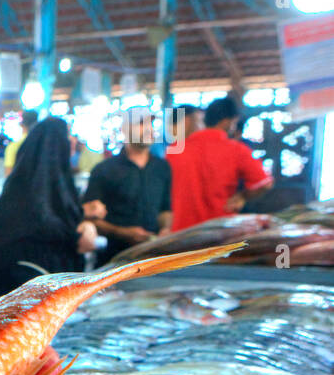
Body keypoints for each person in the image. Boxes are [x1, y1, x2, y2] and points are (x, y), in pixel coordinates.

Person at [0, 117, 101, 300]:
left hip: (5, 298)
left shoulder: (10, 198)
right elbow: (58, 232)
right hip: (33, 303)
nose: (73, 140)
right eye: (67, 134)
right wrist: (83, 233)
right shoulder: (39, 201)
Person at [82, 108, 172, 266]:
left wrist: (165, 228)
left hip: (153, 259)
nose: (149, 129)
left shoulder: (162, 167)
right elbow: (90, 217)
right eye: (141, 124)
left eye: (151, 123)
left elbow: (165, 208)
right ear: (125, 129)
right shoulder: (104, 170)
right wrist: (122, 232)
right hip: (114, 260)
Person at [168, 96, 272, 231]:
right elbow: (265, 182)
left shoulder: (173, 152)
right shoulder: (236, 149)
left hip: (181, 235)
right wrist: (242, 196)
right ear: (228, 121)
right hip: (221, 233)